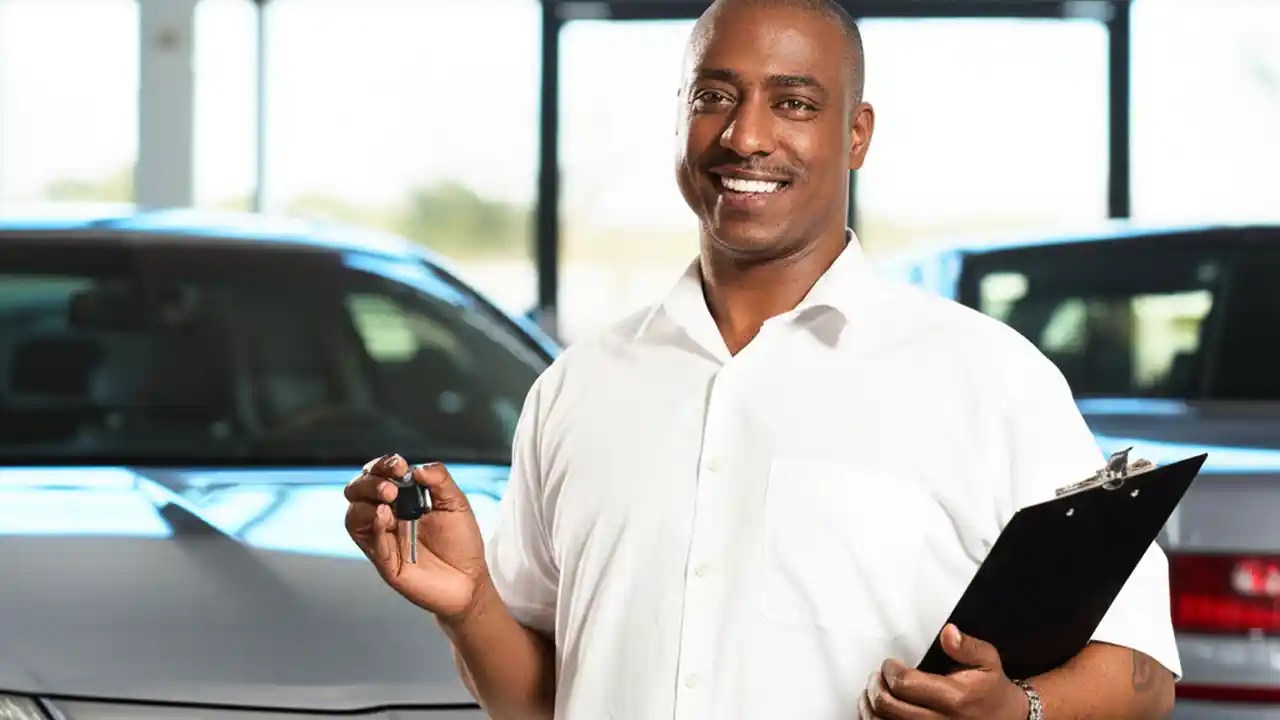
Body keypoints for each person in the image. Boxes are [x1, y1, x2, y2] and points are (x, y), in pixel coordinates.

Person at [343, 0, 1180, 717]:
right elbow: (541, 702)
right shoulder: (575, 389)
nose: (745, 136)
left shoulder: (992, 378)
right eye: (716, 95)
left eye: (793, 103)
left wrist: (1020, 711)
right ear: (679, 116)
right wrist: (471, 605)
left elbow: (1142, 675)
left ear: (857, 134)